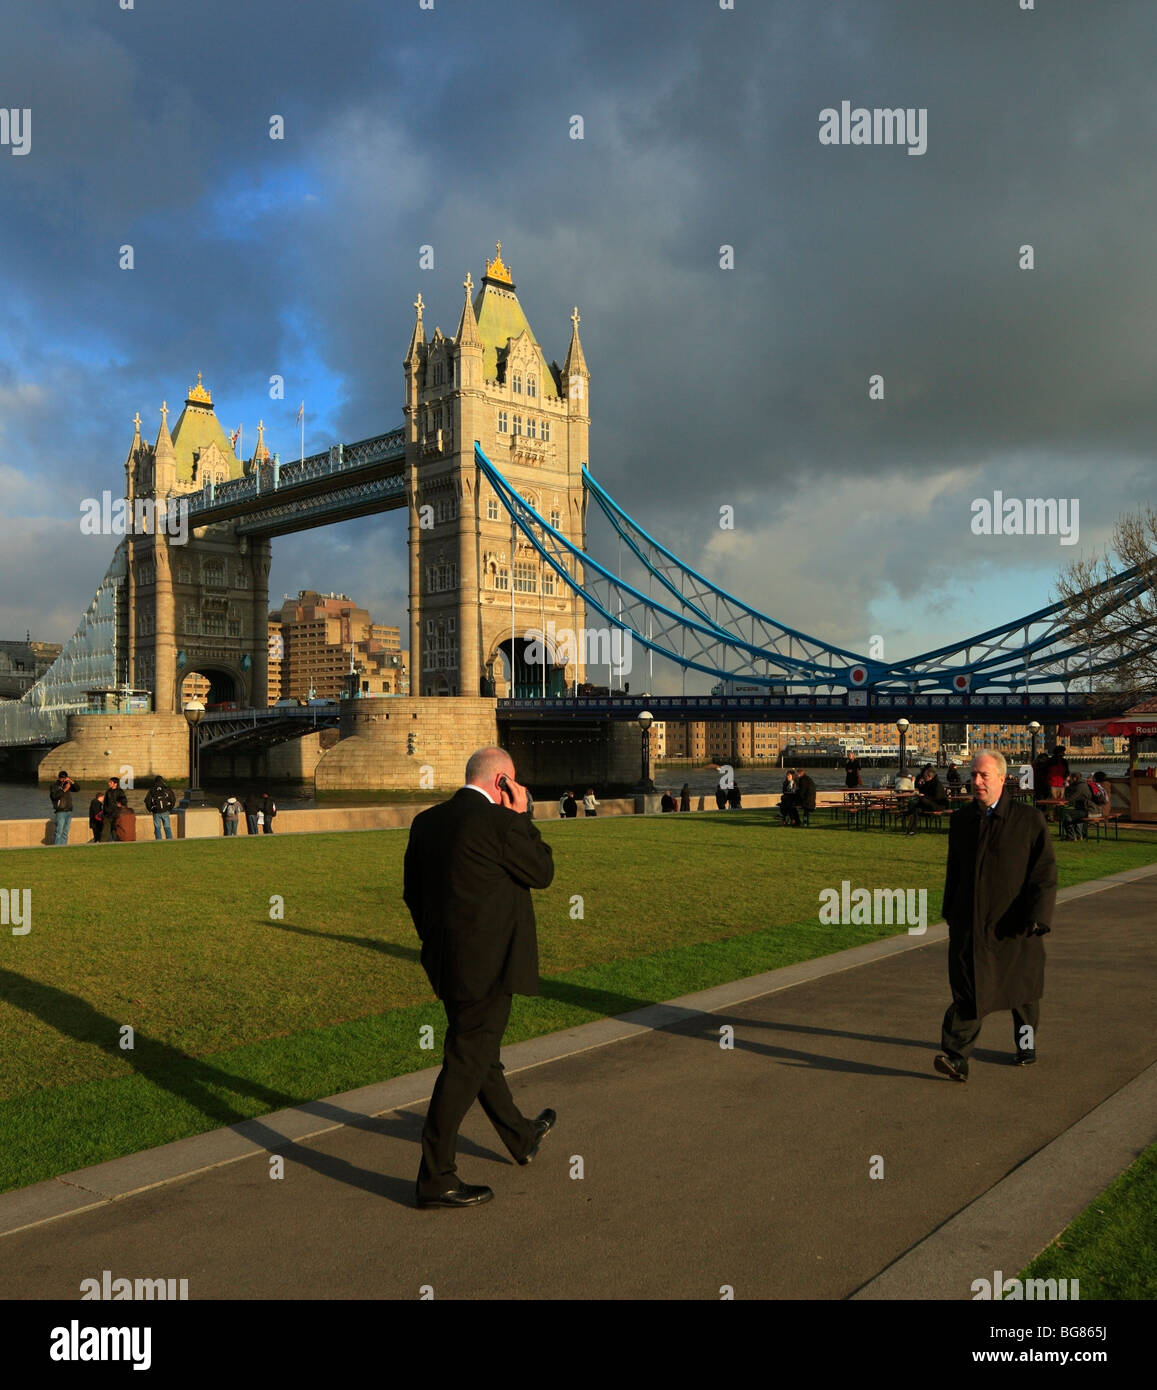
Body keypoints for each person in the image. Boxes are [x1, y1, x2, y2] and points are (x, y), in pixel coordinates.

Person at [404, 746, 556, 1208]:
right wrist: (522, 815)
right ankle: (435, 1176)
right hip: (490, 967)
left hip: (445, 961)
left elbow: (412, 894)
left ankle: (520, 1134)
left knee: (480, 1052)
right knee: (466, 1059)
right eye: (514, 781)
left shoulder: (427, 822)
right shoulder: (501, 823)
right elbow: (543, 871)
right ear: (502, 783)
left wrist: (435, 941)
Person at [935, 750, 1057, 1082]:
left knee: (1024, 993)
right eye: (973, 775)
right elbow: (954, 872)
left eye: (983, 775)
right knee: (968, 990)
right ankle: (956, 1056)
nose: (976, 781)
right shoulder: (962, 821)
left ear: (1003, 778)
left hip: (1016, 925)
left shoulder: (1029, 821)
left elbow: (1044, 873)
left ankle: (1026, 1046)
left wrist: (1039, 916)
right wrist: (950, 912)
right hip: (971, 924)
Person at [905, 764, 947, 835]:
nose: (923, 778)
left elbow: (937, 797)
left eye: (925, 776)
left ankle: (908, 812)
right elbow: (923, 792)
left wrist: (924, 796)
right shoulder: (928, 783)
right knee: (917, 809)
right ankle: (911, 830)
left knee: (920, 801)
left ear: (929, 776)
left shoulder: (937, 784)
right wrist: (920, 785)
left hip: (938, 805)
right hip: (928, 804)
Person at [1059, 772, 1092, 840]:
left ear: (1074, 778)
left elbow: (1071, 798)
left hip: (1085, 810)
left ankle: (1071, 836)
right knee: (1073, 814)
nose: (1069, 779)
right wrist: (1067, 786)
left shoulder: (1080, 787)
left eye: (1070, 778)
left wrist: (1064, 800)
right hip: (1085, 809)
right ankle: (1078, 835)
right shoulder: (1082, 784)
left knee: (1065, 814)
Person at [144, 776, 177, 840]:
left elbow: (147, 801)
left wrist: (150, 809)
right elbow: (173, 799)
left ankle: (158, 841)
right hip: (165, 811)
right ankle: (169, 839)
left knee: (157, 827)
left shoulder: (152, 790)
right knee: (167, 827)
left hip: (156, 811)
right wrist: (170, 808)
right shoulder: (166, 789)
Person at [49, 770, 76, 846]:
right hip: (60, 811)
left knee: (65, 832)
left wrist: (71, 781)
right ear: (59, 778)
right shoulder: (54, 786)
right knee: (59, 831)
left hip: (69, 810)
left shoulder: (68, 784)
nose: (63, 780)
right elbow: (54, 796)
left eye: (65, 778)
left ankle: (64, 846)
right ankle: (57, 846)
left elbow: (77, 789)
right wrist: (64, 790)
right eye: (62, 778)